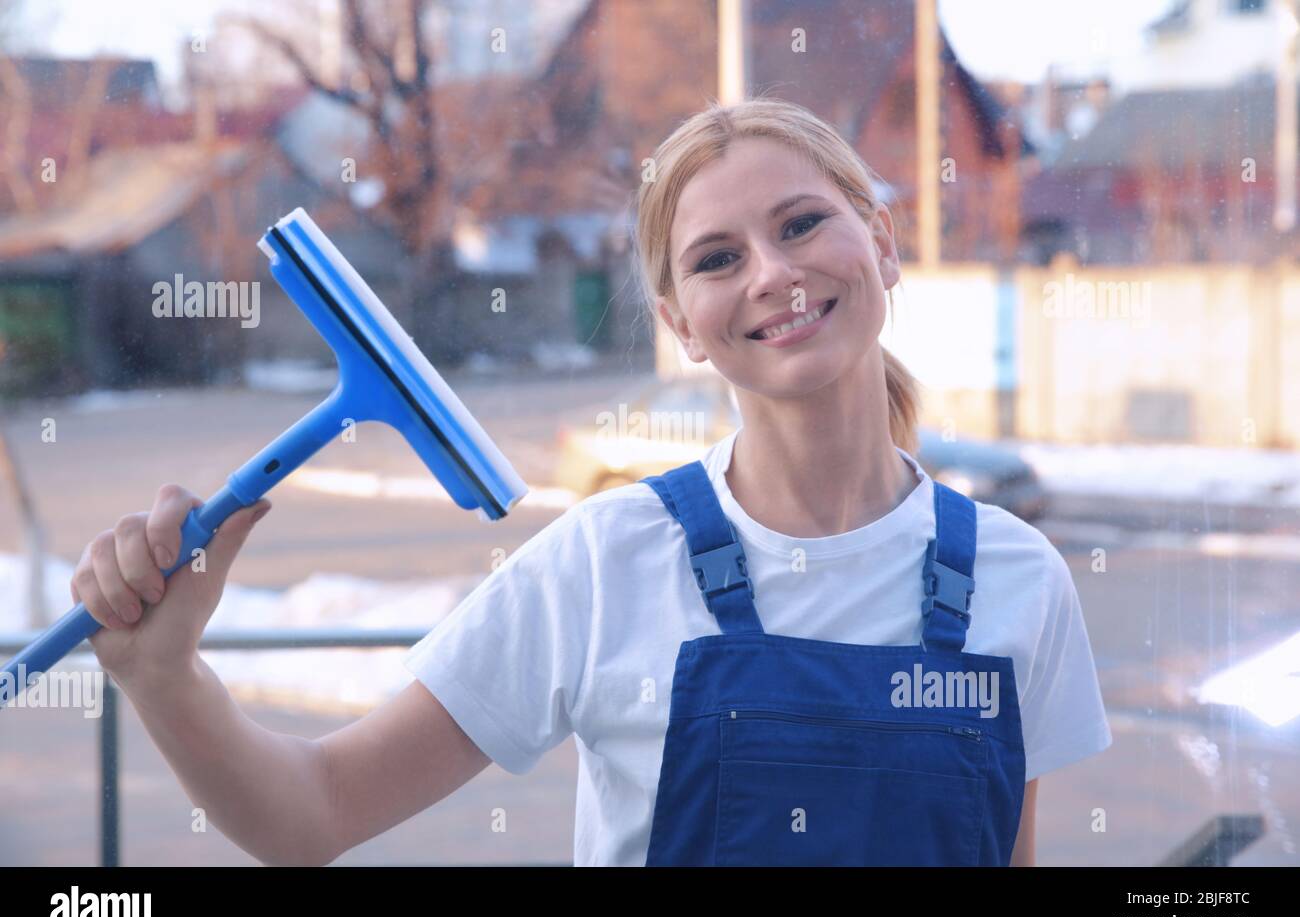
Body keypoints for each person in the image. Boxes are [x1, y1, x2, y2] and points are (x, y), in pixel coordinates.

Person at [77, 97, 1111, 867]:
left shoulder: (1015, 578)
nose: (769, 273)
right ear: (679, 326)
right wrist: (163, 676)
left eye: (800, 224)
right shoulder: (604, 561)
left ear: (879, 247)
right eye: (715, 258)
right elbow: (310, 810)